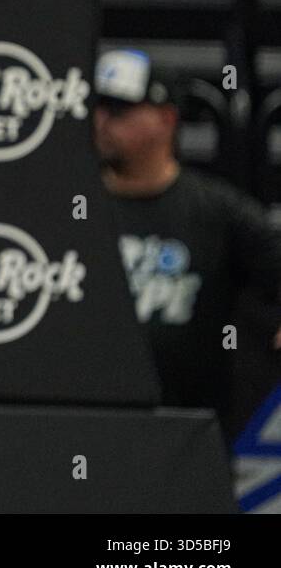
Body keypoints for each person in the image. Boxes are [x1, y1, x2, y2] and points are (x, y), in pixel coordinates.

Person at [93, 48, 281, 427]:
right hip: (88, 419)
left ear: (165, 118)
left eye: (118, 111)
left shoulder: (215, 210)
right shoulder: (72, 207)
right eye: (96, 108)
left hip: (189, 428)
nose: (101, 122)